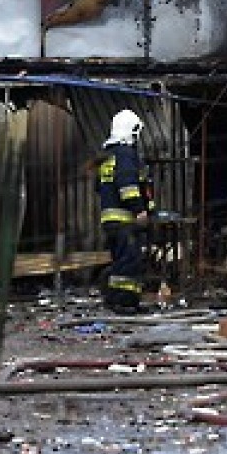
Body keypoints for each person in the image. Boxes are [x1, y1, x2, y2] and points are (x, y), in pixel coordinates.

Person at [96, 109, 154, 314]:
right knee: (130, 261)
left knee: (120, 261)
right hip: (125, 219)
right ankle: (125, 303)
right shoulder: (125, 154)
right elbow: (127, 185)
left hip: (110, 220)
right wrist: (139, 210)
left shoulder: (107, 155)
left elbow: (99, 186)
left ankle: (116, 300)